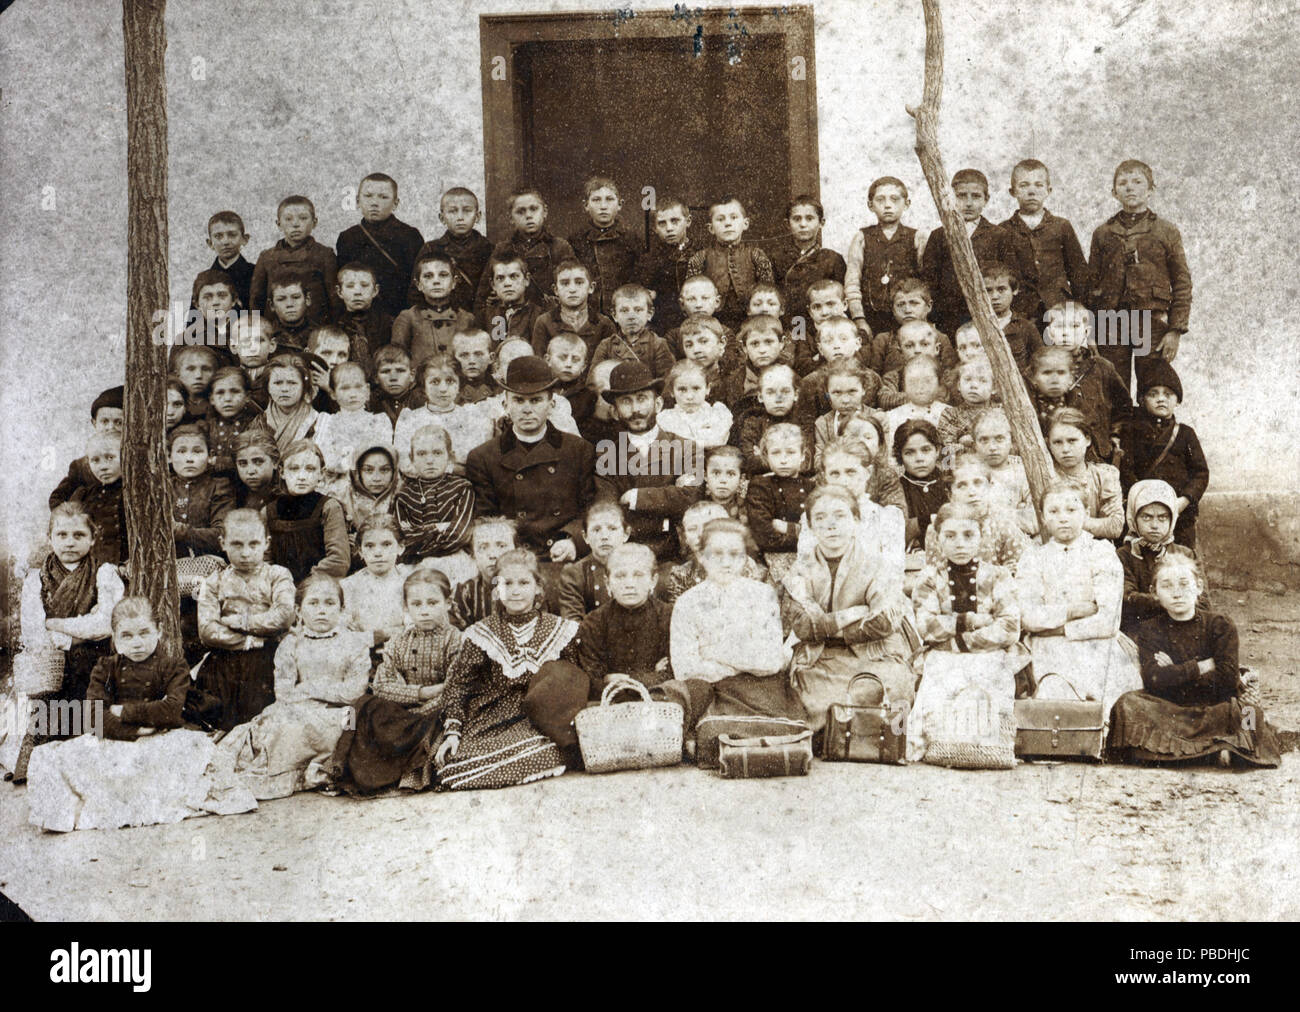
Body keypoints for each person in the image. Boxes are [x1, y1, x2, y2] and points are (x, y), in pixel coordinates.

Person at [26, 598, 257, 833]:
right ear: (114, 638)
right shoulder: (106, 668)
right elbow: (94, 716)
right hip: (120, 738)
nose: (137, 643)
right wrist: (135, 730)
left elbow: (171, 711)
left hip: (164, 737)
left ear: (159, 631)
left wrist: (124, 711)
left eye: (144, 633)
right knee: (51, 758)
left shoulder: (173, 666)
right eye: (126, 636)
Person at [1109, 551, 1280, 767]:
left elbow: (1227, 680)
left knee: (1251, 713)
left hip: (1216, 707)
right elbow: (1154, 680)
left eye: (1183, 584)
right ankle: (1218, 750)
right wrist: (1200, 666)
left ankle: (1189, 752)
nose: (1177, 593)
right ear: (1154, 592)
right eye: (1167, 586)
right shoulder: (1150, 630)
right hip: (1171, 709)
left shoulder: (1221, 625)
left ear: (1198, 587)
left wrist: (1174, 670)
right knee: (1128, 704)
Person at [434, 549, 587, 789]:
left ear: (538, 587)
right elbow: (460, 685)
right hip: (492, 715)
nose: (515, 590)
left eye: (524, 582)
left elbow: (574, 680)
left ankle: (532, 760)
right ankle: (524, 764)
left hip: (539, 717)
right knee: (452, 767)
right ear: (496, 589)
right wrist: (453, 731)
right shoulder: (482, 632)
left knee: (548, 747)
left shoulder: (561, 629)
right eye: (507, 583)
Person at [219, 573, 373, 799]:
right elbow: (284, 692)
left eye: (330, 603)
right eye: (313, 603)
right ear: (299, 611)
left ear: (341, 609)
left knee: (351, 723)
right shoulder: (291, 644)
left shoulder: (354, 644)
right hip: (300, 711)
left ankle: (326, 767)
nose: (322, 610)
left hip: (344, 712)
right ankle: (293, 772)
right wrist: (308, 699)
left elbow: (354, 691)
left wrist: (309, 688)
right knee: (283, 720)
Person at [782, 486, 918, 733]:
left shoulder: (877, 565)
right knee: (811, 699)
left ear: (856, 521)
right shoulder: (800, 571)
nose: (831, 525)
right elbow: (803, 625)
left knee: (893, 685)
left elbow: (884, 621)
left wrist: (827, 625)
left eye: (840, 516)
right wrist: (851, 613)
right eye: (820, 518)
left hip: (874, 655)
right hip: (821, 657)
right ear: (810, 527)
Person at [8, 502, 126, 781]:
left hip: (92, 660)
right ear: (49, 538)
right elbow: (33, 628)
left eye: (78, 535)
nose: (70, 542)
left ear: (93, 538)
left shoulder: (104, 573)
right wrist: (68, 638)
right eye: (61, 535)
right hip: (51, 662)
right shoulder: (36, 579)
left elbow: (106, 623)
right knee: (48, 713)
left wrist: (58, 624)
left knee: (91, 710)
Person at [326, 569, 464, 793]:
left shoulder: (455, 639)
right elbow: (381, 686)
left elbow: (454, 687)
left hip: (435, 713)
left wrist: (425, 707)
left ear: (447, 603)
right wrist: (421, 693)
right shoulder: (399, 640)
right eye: (417, 604)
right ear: (406, 607)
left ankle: (402, 769)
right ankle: (339, 764)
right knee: (358, 706)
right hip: (404, 711)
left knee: (440, 717)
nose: (425, 611)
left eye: (432, 603)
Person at [657, 518, 803, 730]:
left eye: (735, 555)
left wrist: (713, 653)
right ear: (701, 556)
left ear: (745, 558)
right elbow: (685, 669)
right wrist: (745, 663)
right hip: (711, 690)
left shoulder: (762, 595)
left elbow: (771, 661)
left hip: (757, 689)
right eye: (717, 554)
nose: (726, 563)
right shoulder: (687, 603)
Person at [907, 502, 1026, 761]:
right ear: (938, 539)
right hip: (944, 658)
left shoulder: (999, 576)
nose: (959, 543)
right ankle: (939, 745)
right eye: (950, 536)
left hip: (989, 655)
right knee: (938, 679)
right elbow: (926, 626)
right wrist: (972, 620)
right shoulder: (929, 578)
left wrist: (955, 636)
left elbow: (1008, 628)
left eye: (968, 535)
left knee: (990, 677)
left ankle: (988, 749)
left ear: (981, 537)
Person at [1015, 483, 1143, 720]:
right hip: (1047, 649)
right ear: (1043, 518)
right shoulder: (1033, 557)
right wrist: (1074, 610)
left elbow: (1107, 621)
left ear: (1085, 512)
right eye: (1053, 512)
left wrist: (1058, 627)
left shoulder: (1101, 552)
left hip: (1097, 645)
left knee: (1109, 706)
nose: (1063, 518)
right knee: (1054, 700)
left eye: (1071, 510)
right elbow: (1028, 617)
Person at [465, 355, 596, 568]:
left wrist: (573, 541)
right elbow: (487, 521)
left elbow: (590, 509)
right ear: (505, 403)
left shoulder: (579, 450)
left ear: (551, 404)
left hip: (565, 555)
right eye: (519, 400)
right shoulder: (483, 457)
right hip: (511, 558)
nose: (527, 409)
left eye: (536, 400)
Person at [1086, 158, 1192, 394]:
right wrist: (1091, 332)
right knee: (1113, 388)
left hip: (1152, 322)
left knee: (1152, 387)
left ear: (1151, 190)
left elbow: (1182, 283)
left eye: (1137, 182)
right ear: (1114, 192)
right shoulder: (1103, 233)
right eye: (1122, 183)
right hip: (1111, 322)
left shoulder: (1166, 231)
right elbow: (1091, 285)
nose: (1130, 187)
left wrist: (1175, 330)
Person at [196, 509, 296, 730]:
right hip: (226, 659)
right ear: (223, 544)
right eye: (237, 544)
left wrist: (242, 622)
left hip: (267, 656)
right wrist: (249, 641)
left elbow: (284, 615)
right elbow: (207, 629)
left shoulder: (278, 575)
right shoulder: (214, 582)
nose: (246, 553)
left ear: (266, 543)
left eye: (253, 544)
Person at [594, 360, 703, 560]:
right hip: (625, 554)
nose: (636, 409)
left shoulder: (686, 448)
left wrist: (638, 498)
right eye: (626, 401)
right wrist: (668, 495)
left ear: (658, 404)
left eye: (642, 398)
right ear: (615, 411)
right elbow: (607, 508)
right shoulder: (607, 456)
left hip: (674, 555)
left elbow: (690, 497)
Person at [920, 167, 1038, 335]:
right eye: (961, 196)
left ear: (986, 199)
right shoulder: (939, 235)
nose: (968, 203)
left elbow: (1015, 279)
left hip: (991, 315)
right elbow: (929, 280)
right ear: (950, 199)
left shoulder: (999, 235)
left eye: (976, 197)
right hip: (949, 317)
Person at [1116, 359, 1208, 548]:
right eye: (1153, 394)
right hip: (1145, 514)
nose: (1161, 399)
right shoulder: (1132, 431)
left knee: (1181, 560)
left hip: (1178, 514)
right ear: (1142, 400)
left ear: (1177, 401)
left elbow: (1200, 473)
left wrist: (1184, 501)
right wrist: (1141, 501)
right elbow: (1126, 469)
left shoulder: (1185, 434)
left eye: (1168, 394)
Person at [577, 543, 673, 698]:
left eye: (638, 575)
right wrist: (651, 675)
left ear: (653, 581)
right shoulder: (594, 622)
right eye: (620, 576)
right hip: (608, 705)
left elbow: (672, 673)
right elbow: (592, 678)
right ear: (607, 582)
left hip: (657, 703)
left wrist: (624, 679)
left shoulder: (668, 616)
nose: (629, 584)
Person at [999, 159, 1088, 317]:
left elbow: (1078, 273)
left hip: (1059, 307)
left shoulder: (1061, 226)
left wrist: (1081, 312)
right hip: (1021, 310)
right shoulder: (1004, 230)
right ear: (1012, 192)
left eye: (1038, 185)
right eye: (1024, 185)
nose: (1031, 191)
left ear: (1049, 190)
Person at [1118, 479, 1208, 636]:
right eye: (1146, 517)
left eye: (1162, 517)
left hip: (1182, 631)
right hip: (1140, 633)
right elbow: (1126, 600)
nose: (1154, 525)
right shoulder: (1123, 556)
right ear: (1133, 517)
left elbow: (1203, 603)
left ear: (1172, 519)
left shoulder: (1185, 554)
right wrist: (1175, 601)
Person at [334, 172, 424, 320]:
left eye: (383, 197)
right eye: (368, 196)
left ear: (395, 203)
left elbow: (417, 283)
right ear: (357, 201)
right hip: (358, 315)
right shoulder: (348, 237)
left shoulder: (409, 236)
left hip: (399, 313)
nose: (374, 203)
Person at [845, 176, 927, 338]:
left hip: (908, 317)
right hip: (871, 318)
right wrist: (859, 318)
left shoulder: (917, 237)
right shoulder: (862, 238)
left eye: (895, 199)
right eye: (880, 200)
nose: (888, 205)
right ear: (870, 205)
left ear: (906, 204)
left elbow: (925, 282)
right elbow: (852, 282)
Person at [922, 450, 1028, 573]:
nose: (972, 492)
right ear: (950, 493)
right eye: (962, 485)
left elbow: (1020, 568)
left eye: (978, 483)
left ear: (989, 486)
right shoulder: (938, 528)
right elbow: (935, 574)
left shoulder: (1002, 524)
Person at [393, 424, 474, 583]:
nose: (429, 460)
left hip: (455, 559)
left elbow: (459, 534)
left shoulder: (462, 488)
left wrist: (423, 533)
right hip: (416, 564)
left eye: (437, 453)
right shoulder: (404, 496)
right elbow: (405, 538)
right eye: (421, 454)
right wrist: (438, 528)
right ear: (412, 458)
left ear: (450, 457)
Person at [474, 187, 576, 311]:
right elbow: (482, 297)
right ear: (511, 218)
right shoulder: (503, 249)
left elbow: (574, 287)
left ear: (545, 212)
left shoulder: (559, 247)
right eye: (521, 211)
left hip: (549, 319)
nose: (528, 215)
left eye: (534, 209)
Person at [262, 440, 350, 582]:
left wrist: (307, 586)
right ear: (282, 472)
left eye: (310, 469)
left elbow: (338, 560)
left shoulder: (329, 507)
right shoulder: (269, 511)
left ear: (321, 473)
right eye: (294, 469)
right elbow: (264, 560)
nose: (302, 476)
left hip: (318, 586)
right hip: (280, 587)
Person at [393, 354, 493, 475]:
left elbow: (477, 466)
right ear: (424, 387)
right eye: (435, 382)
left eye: (450, 381)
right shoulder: (410, 420)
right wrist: (453, 468)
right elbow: (405, 465)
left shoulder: (471, 417)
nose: (443, 389)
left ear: (458, 385)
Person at [686, 195, 775, 329]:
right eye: (720, 219)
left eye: (734, 217)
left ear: (745, 224)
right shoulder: (700, 258)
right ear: (710, 228)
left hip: (751, 322)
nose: (728, 223)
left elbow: (768, 292)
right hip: (712, 323)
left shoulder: (757, 256)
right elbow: (691, 294)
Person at [249, 194, 339, 324]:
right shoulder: (267, 257)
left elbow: (334, 298)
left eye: (303, 218)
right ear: (279, 224)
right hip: (274, 329)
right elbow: (256, 300)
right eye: (288, 219)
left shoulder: (325, 255)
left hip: (316, 327)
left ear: (314, 222)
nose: (296, 224)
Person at [313, 361, 393, 499]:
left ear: (367, 390)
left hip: (370, 484)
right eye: (345, 388)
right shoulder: (326, 421)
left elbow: (381, 455)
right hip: (334, 486)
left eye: (358, 387)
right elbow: (322, 457)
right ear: (333, 393)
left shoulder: (379, 422)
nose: (353, 394)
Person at [661, 501, 768, 604]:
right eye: (692, 529)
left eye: (708, 527)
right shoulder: (680, 574)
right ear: (685, 537)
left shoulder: (744, 566)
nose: (700, 534)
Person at [769, 194, 846, 334]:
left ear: (821, 222)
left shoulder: (832, 259)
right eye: (796, 219)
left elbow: (841, 298)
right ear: (787, 224)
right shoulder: (776, 258)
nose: (803, 224)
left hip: (823, 325)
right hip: (788, 326)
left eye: (809, 218)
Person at [410, 186, 493, 315]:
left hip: (480, 317)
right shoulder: (430, 249)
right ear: (442, 218)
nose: (460, 217)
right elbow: (416, 292)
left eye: (467, 211)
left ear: (478, 216)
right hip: (443, 317)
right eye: (453, 211)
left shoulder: (489, 249)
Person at [746, 423, 816, 578]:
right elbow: (764, 534)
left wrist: (789, 528)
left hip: (810, 560)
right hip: (772, 561)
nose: (783, 460)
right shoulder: (761, 485)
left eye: (790, 452)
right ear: (766, 456)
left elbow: (819, 531)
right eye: (776, 453)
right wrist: (803, 533)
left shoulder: (812, 487)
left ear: (803, 455)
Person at [1047, 407, 1124, 541]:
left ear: (1087, 440)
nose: (1065, 449)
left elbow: (1115, 526)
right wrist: (1091, 522)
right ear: (1049, 444)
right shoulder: (1045, 475)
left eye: (1072, 441)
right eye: (1057, 442)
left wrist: (1064, 521)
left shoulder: (1105, 475)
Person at [392, 252, 477, 373]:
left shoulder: (466, 319)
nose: (436, 281)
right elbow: (397, 359)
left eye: (443, 275)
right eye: (428, 276)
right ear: (418, 284)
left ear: (454, 282)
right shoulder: (408, 317)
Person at [568, 176, 640, 316]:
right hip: (588, 311)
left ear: (620, 204)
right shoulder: (576, 240)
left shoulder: (632, 239)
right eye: (596, 200)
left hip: (622, 310)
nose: (603, 206)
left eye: (609, 199)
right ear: (586, 205)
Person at [341, 513, 410, 646]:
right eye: (370, 546)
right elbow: (344, 633)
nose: (378, 552)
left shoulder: (410, 582)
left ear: (400, 547)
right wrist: (380, 635)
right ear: (360, 551)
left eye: (386, 544)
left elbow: (417, 627)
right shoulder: (349, 586)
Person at [49, 385, 124, 509]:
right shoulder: (82, 467)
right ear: (94, 423)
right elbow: (57, 499)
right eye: (104, 421)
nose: (111, 428)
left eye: (119, 422)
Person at [556, 500, 629, 621]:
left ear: (626, 534)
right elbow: (572, 624)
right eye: (596, 530)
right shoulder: (575, 573)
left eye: (612, 529)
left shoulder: (639, 568)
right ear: (585, 537)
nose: (604, 536)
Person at [797, 316, 881, 419]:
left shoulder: (872, 378)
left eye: (843, 339)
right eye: (828, 341)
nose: (836, 345)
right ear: (820, 349)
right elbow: (806, 424)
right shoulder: (810, 382)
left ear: (858, 343)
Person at [634, 196, 695, 334]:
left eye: (675, 221)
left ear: (688, 221)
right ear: (655, 228)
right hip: (662, 325)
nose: (669, 228)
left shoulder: (701, 254)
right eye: (662, 223)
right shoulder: (648, 260)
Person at [531, 259, 616, 360]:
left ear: (591, 287)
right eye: (565, 284)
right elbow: (539, 362)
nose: (572, 289)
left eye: (579, 283)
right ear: (556, 290)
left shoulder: (604, 324)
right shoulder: (544, 322)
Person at [738, 363, 813, 475]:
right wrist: (791, 458)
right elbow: (749, 461)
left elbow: (806, 462)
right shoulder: (752, 422)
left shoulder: (803, 422)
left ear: (796, 394)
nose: (778, 399)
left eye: (785, 391)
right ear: (760, 397)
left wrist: (763, 456)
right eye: (771, 392)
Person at [972, 408, 1037, 536]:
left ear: (1011, 441)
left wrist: (988, 514)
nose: (992, 447)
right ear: (975, 444)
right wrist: (1016, 512)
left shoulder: (1022, 471)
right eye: (984, 440)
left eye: (999, 439)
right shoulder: (969, 472)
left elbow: (1034, 521)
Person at [590, 283, 675, 378]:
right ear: (614, 315)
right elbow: (594, 381)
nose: (631, 316)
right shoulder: (606, 346)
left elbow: (667, 382)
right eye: (624, 310)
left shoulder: (657, 344)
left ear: (649, 314)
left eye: (638, 310)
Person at [68, 432, 128, 568]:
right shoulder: (85, 495)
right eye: (95, 460)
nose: (103, 466)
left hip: (127, 565)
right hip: (94, 566)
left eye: (110, 458)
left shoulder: (133, 493)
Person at [450, 516, 518, 630]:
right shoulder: (465, 593)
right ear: (473, 555)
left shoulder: (529, 588)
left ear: (516, 550)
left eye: (501, 546)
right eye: (483, 547)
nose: (493, 555)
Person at [893, 418, 949, 551]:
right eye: (909, 452)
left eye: (925, 450)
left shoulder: (950, 484)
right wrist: (926, 521)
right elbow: (897, 534)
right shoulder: (896, 489)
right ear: (900, 456)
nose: (919, 458)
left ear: (937, 451)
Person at [250, 352, 320, 458]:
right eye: (277, 383)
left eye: (292, 383)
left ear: (303, 387)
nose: (285, 389)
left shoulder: (317, 422)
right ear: (268, 387)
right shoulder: (259, 423)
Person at [204, 366, 263, 479]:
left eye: (235, 391)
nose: (227, 398)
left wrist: (218, 461)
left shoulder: (255, 425)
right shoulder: (206, 427)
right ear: (212, 399)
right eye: (220, 393)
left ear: (247, 396)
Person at [658, 359, 732, 449]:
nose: (689, 396)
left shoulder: (717, 413)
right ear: (672, 392)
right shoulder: (665, 418)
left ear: (707, 388)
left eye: (696, 388)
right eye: (682, 390)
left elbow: (718, 440)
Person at [334, 262, 391, 376]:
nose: (357, 292)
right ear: (339, 291)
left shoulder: (388, 323)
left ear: (375, 290)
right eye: (350, 286)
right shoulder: (333, 324)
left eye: (364, 285)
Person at [877, 320, 948, 411]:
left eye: (924, 344)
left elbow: (945, 396)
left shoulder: (945, 376)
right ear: (900, 352)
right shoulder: (894, 376)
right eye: (909, 346)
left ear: (936, 349)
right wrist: (922, 396)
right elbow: (885, 399)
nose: (917, 350)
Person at [980, 262, 1040, 371]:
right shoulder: (975, 327)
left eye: (1001, 289)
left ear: (1015, 290)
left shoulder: (1026, 327)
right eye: (988, 290)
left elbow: (1039, 365)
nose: (994, 296)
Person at [478, 252, 546, 342]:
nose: (507, 283)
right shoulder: (485, 316)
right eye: (500, 278)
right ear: (493, 284)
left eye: (514, 276)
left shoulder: (539, 316)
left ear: (526, 279)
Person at [197, 210, 254, 310]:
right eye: (218, 236)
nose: (225, 241)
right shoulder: (203, 280)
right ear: (210, 243)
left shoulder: (256, 274)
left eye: (232, 235)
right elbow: (194, 321)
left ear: (244, 239)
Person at [369, 344, 425, 425]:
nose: (393, 378)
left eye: (400, 371)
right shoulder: (372, 403)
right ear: (376, 377)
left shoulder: (421, 402)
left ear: (412, 375)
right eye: (386, 371)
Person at [232, 430, 280, 512]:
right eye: (243, 463)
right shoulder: (234, 494)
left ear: (275, 462)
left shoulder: (284, 498)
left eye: (258, 462)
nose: (250, 471)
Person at [452, 327, 497, 405]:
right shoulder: (448, 392)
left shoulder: (500, 391)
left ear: (491, 358)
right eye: (464, 355)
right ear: (454, 359)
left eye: (478, 354)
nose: (471, 361)